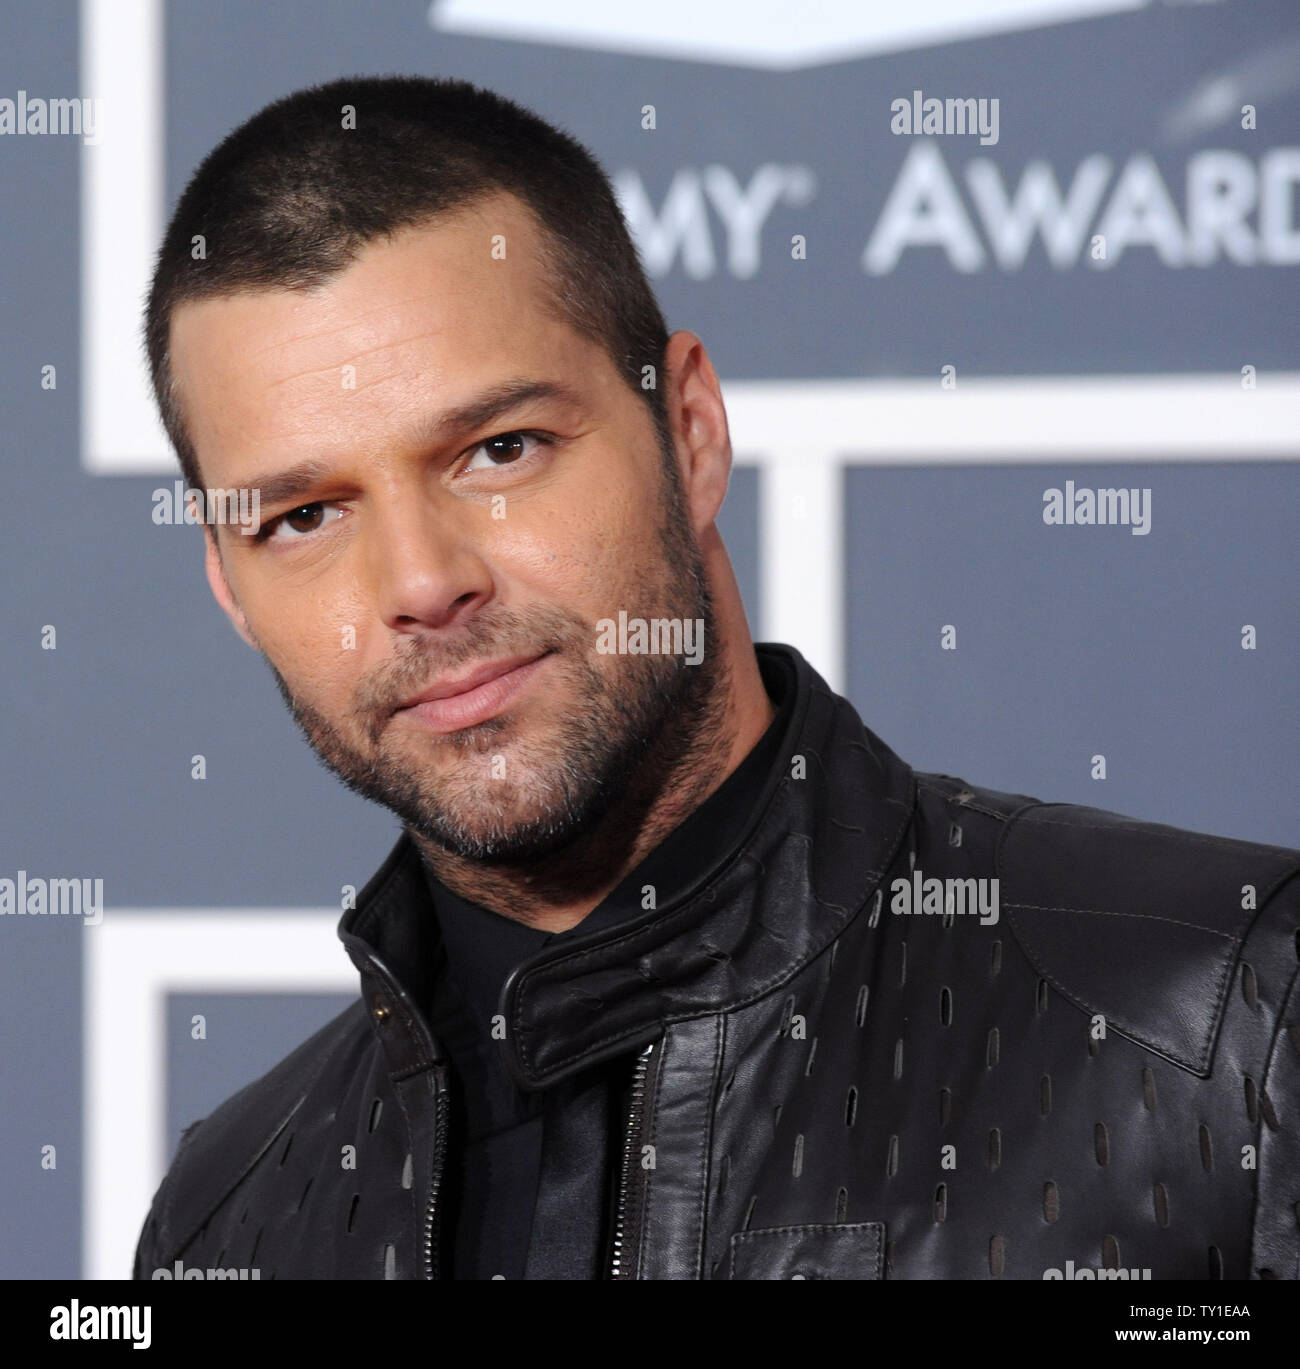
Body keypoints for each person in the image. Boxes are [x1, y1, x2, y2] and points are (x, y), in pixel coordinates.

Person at [132, 75, 1299, 1281]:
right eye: (305, 514)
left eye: (500, 449)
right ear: (227, 580)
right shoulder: (229, 1223)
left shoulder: (1231, 1019)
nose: (422, 582)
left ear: (688, 431)